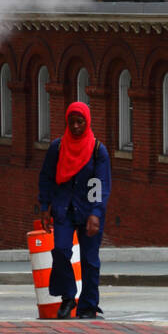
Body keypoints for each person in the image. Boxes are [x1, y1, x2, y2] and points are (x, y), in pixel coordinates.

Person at [37, 102, 111, 319]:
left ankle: (88, 305)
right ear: (67, 123)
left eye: (81, 122)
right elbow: (46, 178)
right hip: (63, 209)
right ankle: (68, 297)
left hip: (89, 211)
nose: (76, 126)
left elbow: (101, 182)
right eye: (72, 122)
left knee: (89, 259)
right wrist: (44, 206)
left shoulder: (98, 150)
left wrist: (96, 213)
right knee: (60, 251)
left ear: (87, 122)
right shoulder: (57, 148)